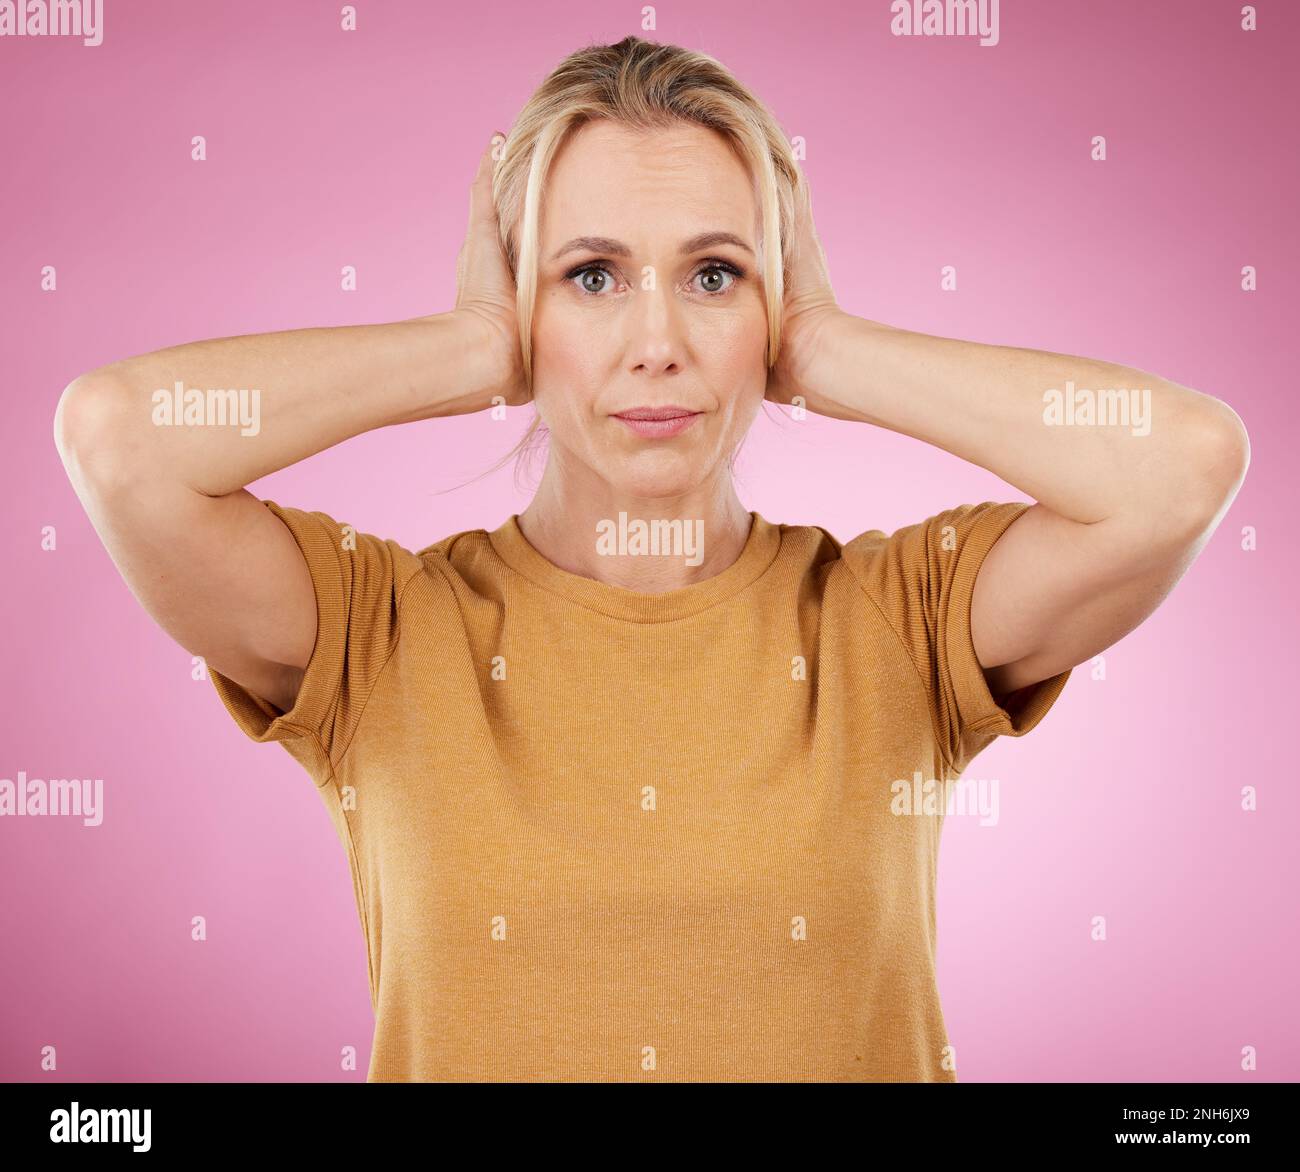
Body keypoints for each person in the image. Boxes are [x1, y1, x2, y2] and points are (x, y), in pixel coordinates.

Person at [52, 36, 1248, 1082]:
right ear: (529, 305)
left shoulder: (900, 617)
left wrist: (826, 347)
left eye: (714, 275)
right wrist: (468, 346)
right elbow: (120, 438)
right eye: (592, 276)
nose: (658, 343)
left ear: (769, 306)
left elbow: (1181, 464)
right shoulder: (382, 629)